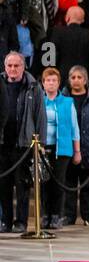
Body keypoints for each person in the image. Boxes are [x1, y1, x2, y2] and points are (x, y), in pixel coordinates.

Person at [0, 51, 44, 233]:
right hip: (2, 143)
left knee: (22, 186)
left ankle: (21, 222)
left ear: (23, 67)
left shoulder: (33, 86)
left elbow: (40, 116)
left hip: (24, 144)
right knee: (3, 186)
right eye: (9, 65)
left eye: (16, 65)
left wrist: (39, 143)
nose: (12, 69)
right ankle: (5, 220)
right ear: (4, 67)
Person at [38, 66, 80, 230]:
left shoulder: (68, 102)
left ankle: (56, 216)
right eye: (48, 80)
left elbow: (74, 127)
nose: (51, 83)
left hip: (62, 149)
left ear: (59, 83)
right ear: (43, 83)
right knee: (44, 184)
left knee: (59, 183)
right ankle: (45, 215)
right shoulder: (39, 101)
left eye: (54, 80)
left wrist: (77, 151)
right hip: (42, 149)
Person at [62, 65, 89, 227]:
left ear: (85, 80)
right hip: (69, 147)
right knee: (69, 184)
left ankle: (87, 215)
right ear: (69, 80)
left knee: (87, 185)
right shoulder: (64, 97)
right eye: (73, 77)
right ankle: (69, 215)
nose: (76, 80)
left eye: (80, 77)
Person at [49, 5, 89, 85]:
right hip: (83, 80)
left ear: (67, 18)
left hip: (61, 80)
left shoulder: (56, 32)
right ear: (82, 20)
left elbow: (49, 59)